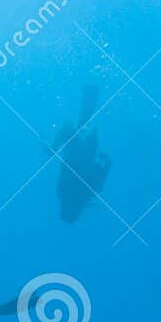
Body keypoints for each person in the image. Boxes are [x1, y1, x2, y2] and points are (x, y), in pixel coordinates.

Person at [54, 83, 111, 222]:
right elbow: (100, 178)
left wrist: (105, 164)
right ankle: (57, 144)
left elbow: (99, 178)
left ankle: (57, 144)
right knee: (78, 127)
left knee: (77, 127)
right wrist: (106, 164)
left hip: (79, 156)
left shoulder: (68, 194)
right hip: (81, 156)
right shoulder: (68, 194)